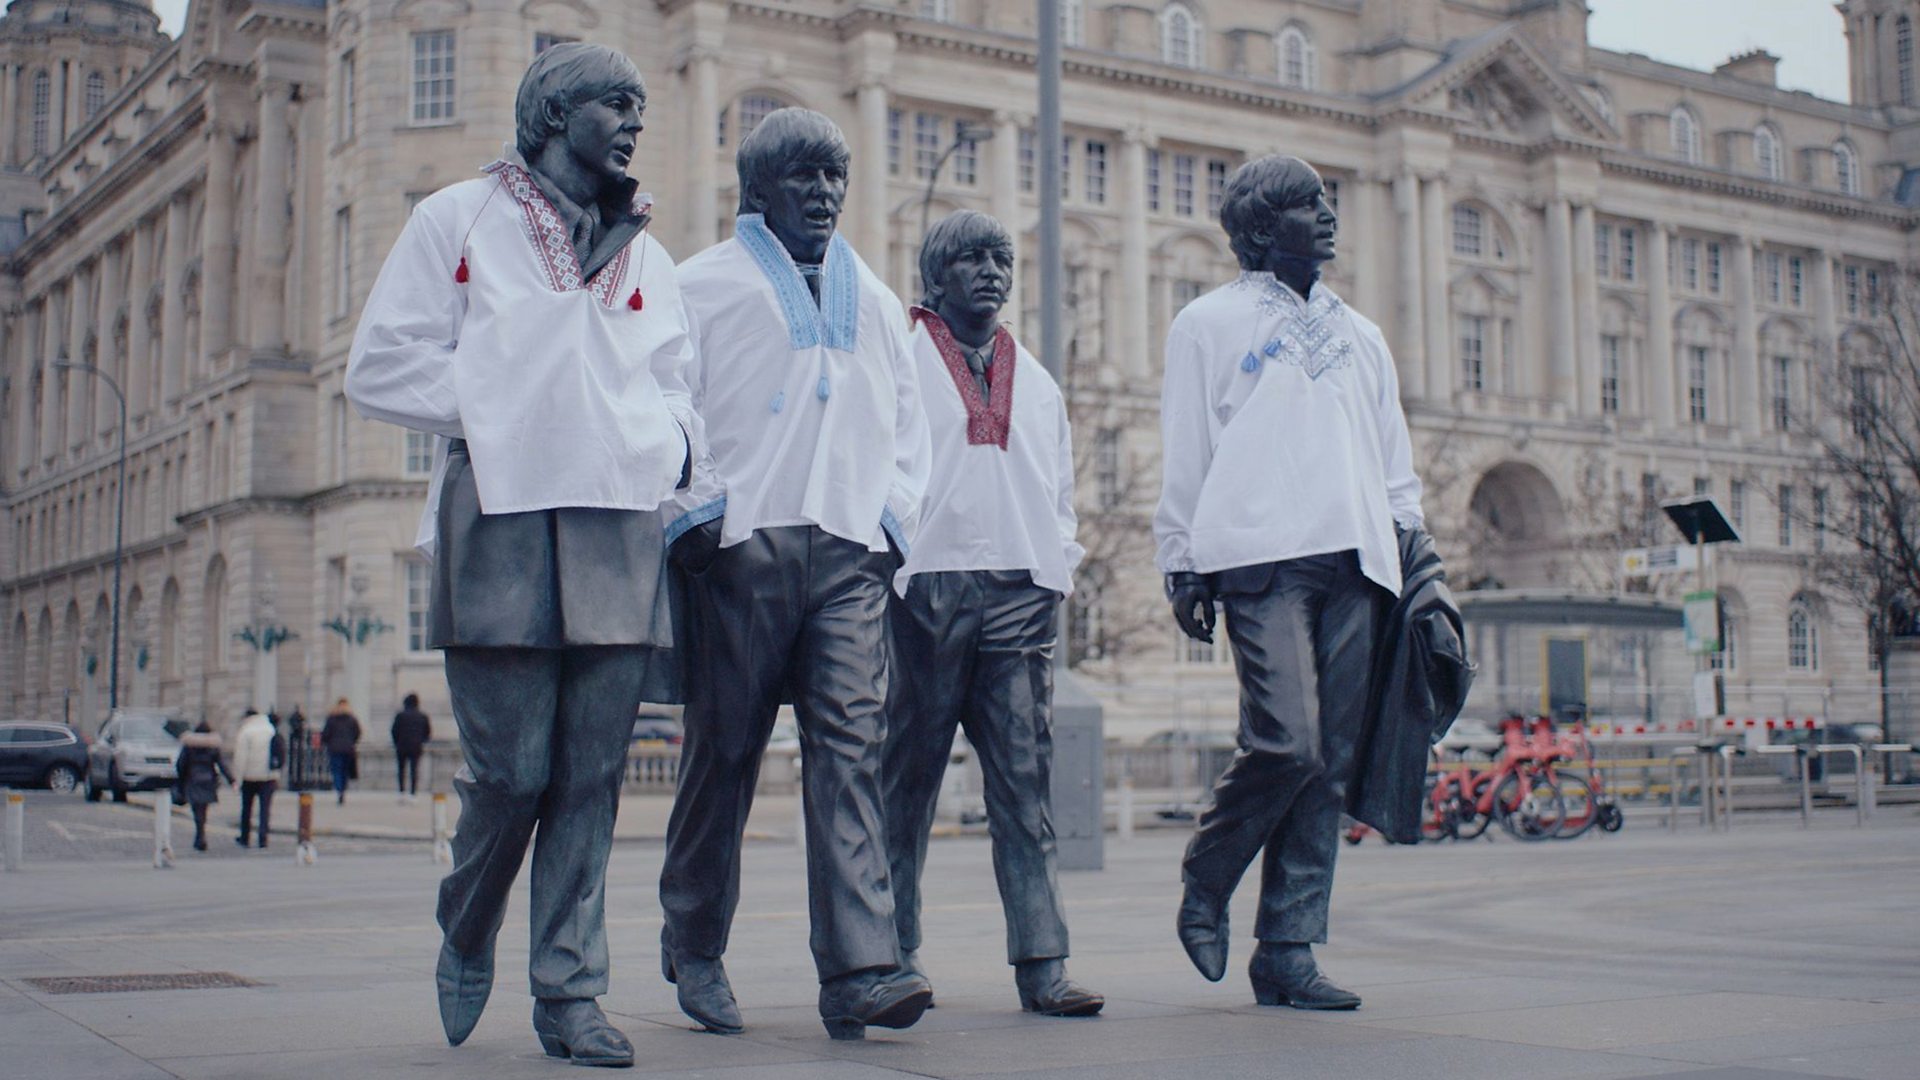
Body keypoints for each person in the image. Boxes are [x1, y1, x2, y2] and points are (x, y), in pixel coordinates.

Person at [347, 43, 705, 1066]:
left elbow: (677, 382)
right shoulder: (455, 219)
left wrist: (667, 443)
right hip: (499, 516)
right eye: (614, 103)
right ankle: (467, 918)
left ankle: (570, 992)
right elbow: (378, 365)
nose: (635, 122)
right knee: (512, 776)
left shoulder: (651, 252)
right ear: (553, 110)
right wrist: (511, 410)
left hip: (616, 523)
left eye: (641, 105)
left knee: (592, 780)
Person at [659, 106, 933, 1041]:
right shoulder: (699, 286)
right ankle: (694, 942)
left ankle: (859, 970)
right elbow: (668, 404)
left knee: (853, 752)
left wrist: (892, 523)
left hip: (850, 555)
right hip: (743, 549)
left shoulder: (884, 303)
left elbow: (910, 432)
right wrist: (699, 511)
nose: (823, 194)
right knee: (723, 753)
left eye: (834, 176)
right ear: (759, 188)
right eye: (803, 177)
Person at [1153, 155, 1430, 1011]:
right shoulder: (1207, 323)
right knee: (1288, 741)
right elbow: (1187, 449)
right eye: (1311, 204)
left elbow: (1393, 466)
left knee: (1330, 765)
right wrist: (1181, 559)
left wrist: (1422, 566)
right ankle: (1209, 873)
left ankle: (1289, 949)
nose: (1330, 214)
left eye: (1327, 200)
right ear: (1264, 228)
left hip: (1358, 562)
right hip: (1257, 560)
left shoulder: (1365, 335)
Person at [881, 210, 1102, 1019]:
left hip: (1016, 593)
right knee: (905, 787)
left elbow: (1061, 490)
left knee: (1024, 789)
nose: (990, 272)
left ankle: (1044, 962)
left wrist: (1057, 570)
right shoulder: (901, 362)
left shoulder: (1035, 378)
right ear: (935, 277)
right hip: (927, 592)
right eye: (971, 259)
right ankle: (890, 954)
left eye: (1000, 259)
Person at [173, 720, 233, 853]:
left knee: (196, 810)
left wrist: (180, 781)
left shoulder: (189, 746)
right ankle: (201, 835)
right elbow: (222, 764)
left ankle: (200, 836)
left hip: (193, 780)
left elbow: (180, 765)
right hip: (208, 780)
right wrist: (231, 780)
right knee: (203, 810)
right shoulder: (213, 747)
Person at [232, 708, 281, 849]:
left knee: (247, 809)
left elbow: (240, 758)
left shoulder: (246, 731)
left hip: (249, 776)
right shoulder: (270, 729)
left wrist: (238, 779)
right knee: (265, 809)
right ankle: (263, 838)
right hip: (269, 776)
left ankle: (245, 837)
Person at [391, 692, 432, 803]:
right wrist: (421, 741)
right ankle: (413, 793)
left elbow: (394, 731)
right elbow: (427, 732)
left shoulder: (400, 715)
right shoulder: (422, 716)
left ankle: (401, 792)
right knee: (414, 770)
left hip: (402, 746)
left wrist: (396, 742)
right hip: (416, 746)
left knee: (401, 769)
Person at [320, 698, 361, 805]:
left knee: (337, 771)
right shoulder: (352, 719)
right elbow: (357, 733)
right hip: (348, 748)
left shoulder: (332, 719)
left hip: (334, 748)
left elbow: (326, 734)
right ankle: (343, 790)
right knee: (345, 772)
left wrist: (327, 742)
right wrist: (352, 741)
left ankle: (339, 790)